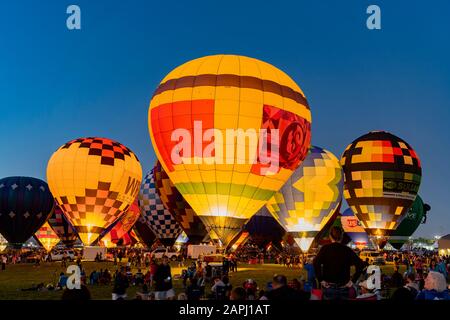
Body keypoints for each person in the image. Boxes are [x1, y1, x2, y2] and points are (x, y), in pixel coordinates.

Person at [313, 226, 364, 300]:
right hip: (344, 287)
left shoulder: (325, 249)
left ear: (330, 236)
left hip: (329, 286)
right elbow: (360, 265)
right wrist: (353, 281)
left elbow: (315, 263)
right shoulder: (347, 250)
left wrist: (321, 280)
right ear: (341, 236)